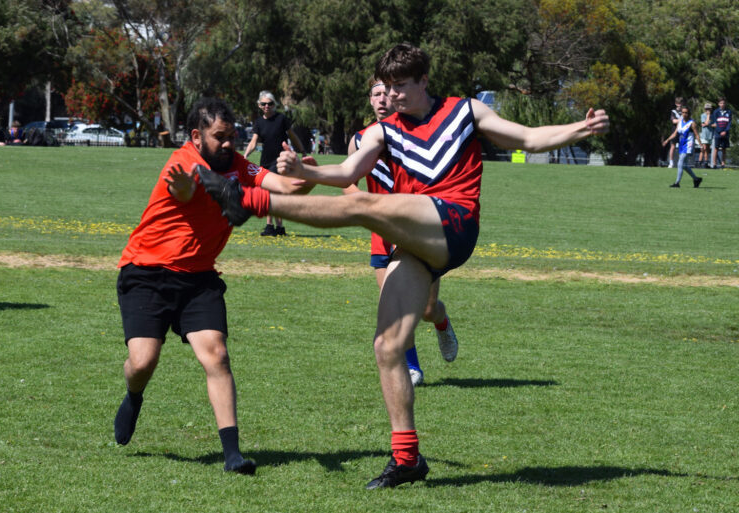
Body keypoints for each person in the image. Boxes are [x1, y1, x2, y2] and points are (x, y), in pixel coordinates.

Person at [197, 43, 609, 489]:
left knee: (367, 205)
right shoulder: (383, 131)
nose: (391, 96)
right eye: (386, 88)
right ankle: (407, 457)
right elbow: (346, 171)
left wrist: (581, 129)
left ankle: (248, 202)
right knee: (387, 348)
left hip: (455, 221)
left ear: (424, 81)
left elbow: (528, 138)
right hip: (417, 243)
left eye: (400, 87)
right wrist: (306, 171)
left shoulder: (465, 111)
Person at [113, 97, 312, 475]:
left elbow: (285, 187)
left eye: (232, 136)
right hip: (147, 273)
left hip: (199, 276)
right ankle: (134, 396)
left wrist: (305, 174)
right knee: (143, 362)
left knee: (217, 355)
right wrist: (201, 191)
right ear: (196, 135)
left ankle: (232, 454)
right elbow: (186, 192)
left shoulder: (238, 164)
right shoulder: (183, 162)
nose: (227, 144)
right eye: (219, 137)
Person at [342, 77, 459, 387]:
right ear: (370, 100)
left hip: (417, 230)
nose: (382, 99)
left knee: (426, 308)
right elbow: (347, 179)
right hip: (383, 232)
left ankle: (442, 322)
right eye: (376, 94)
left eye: (386, 93)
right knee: (392, 304)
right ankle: (412, 367)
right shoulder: (359, 140)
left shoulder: (415, 135)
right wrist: (361, 203)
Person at [243, 91, 307, 236]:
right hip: (265, 161)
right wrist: (246, 155)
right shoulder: (259, 122)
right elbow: (254, 142)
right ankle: (278, 227)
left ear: (274, 105)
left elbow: (293, 135)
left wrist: (302, 150)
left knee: (274, 191)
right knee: (268, 192)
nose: (267, 106)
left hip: (279, 161)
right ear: (259, 106)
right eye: (264, 104)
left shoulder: (281, 119)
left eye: (270, 104)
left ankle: (271, 226)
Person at [662, 105, 703, 188]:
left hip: (688, 145)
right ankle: (696, 179)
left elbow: (697, 135)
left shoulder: (692, 123)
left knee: (680, 163)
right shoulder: (680, 122)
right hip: (681, 144)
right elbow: (675, 133)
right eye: (683, 112)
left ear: (689, 114)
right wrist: (667, 140)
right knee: (684, 165)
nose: (684, 114)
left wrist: (701, 145)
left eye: (686, 113)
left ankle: (677, 183)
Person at [710, 97, 732, 169]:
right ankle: (714, 164)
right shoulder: (716, 112)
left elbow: (729, 123)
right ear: (718, 104)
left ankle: (723, 164)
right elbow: (715, 123)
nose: (722, 104)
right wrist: (720, 131)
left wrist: (725, 131)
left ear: (725, 104)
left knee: (724, 149)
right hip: (718, 133)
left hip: (725, 133)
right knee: (716, 148)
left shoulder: (729, 112)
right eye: (721, 103)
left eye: (723, 103)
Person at [667, 97, 683, 168]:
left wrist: (679, 120)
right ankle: (671, 162)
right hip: (674, 131)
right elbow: (674, 121)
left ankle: (681, 162)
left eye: (681, 103)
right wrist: (680, 120)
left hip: (682, 131)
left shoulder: (684, 111)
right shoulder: (673, 111)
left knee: (681, 147)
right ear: (676, 104)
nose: (679, 105)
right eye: (678, 103)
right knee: (672, 146)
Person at [697, 103, 714, 168]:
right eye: (706, 109)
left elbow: (714, 125)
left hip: (710, 134)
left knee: (707, 149)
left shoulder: (713, 116)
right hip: (704, 134)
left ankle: (706, 162)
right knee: (703, 148)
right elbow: (705, 122)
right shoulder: (703, 115)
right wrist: (708, 116)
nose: (708, 110)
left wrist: (708, 124)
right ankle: (700, 162)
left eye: (709, 109)